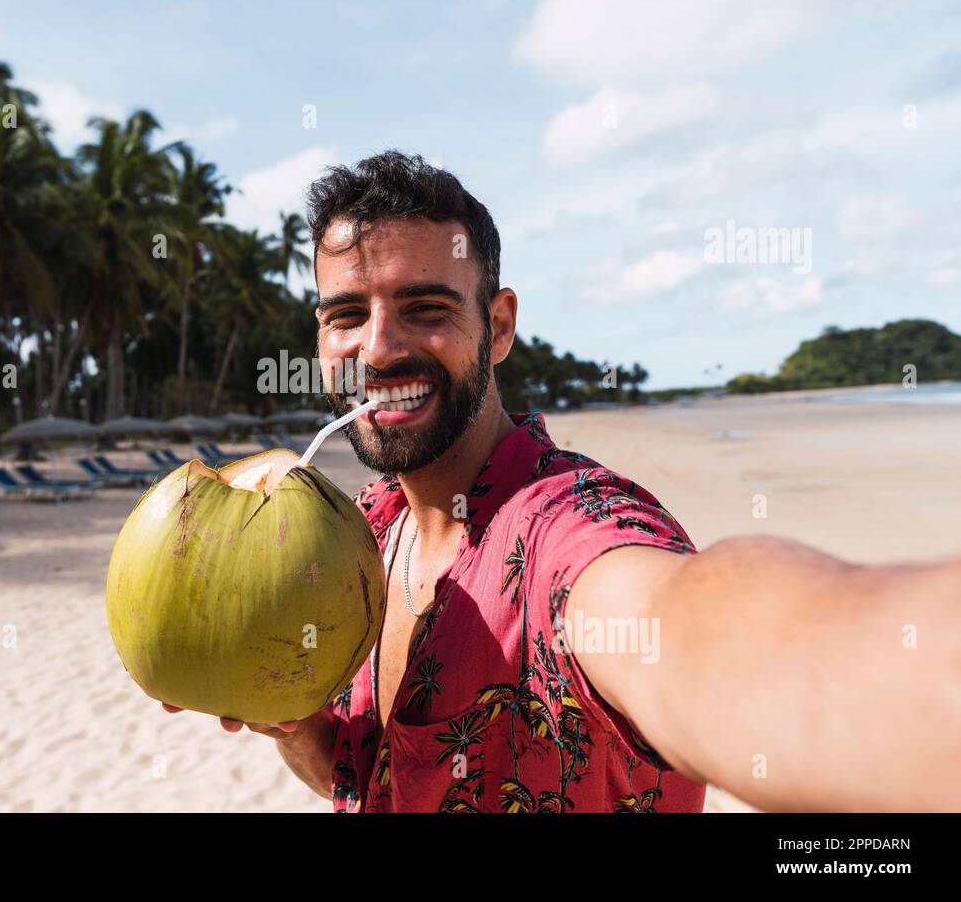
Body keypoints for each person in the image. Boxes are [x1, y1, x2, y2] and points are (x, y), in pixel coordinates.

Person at [165, 151, 961, 812]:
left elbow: (692, 631)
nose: (377, 350)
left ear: (499, 324)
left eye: (426, 306)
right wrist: (295, 724)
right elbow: (361, 777)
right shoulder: (351, 541)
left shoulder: (564, 532)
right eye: (347, 316)